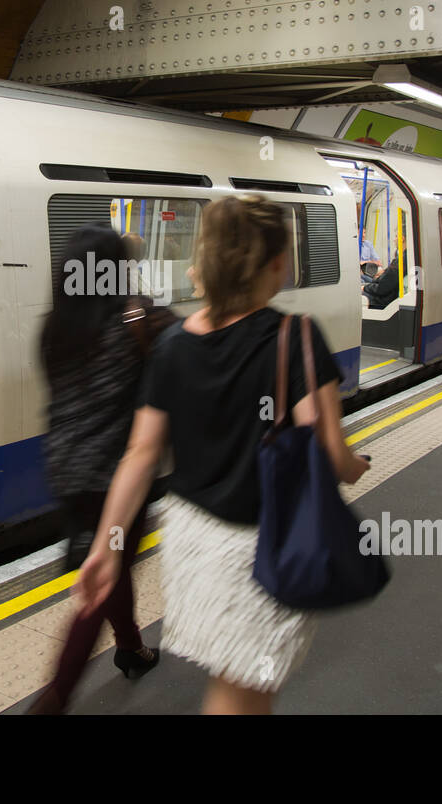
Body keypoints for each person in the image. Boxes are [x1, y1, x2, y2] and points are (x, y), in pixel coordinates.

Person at [74, 195, 370, 715]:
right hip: (262, 543)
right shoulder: (295, 337)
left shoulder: (171, 346)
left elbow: (141, 454)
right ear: (277, 263)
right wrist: (354, 466)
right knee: (242, 694)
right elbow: (326, 447)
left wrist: (106, 544)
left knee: (234, 680)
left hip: (191, 542)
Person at [27, 227, 178, 714]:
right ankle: (55, 699)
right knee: (99, 581)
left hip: (66, 474)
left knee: (109, 564)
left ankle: (131, 648)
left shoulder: (54, 328)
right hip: (117, 480)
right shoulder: (140, 321)